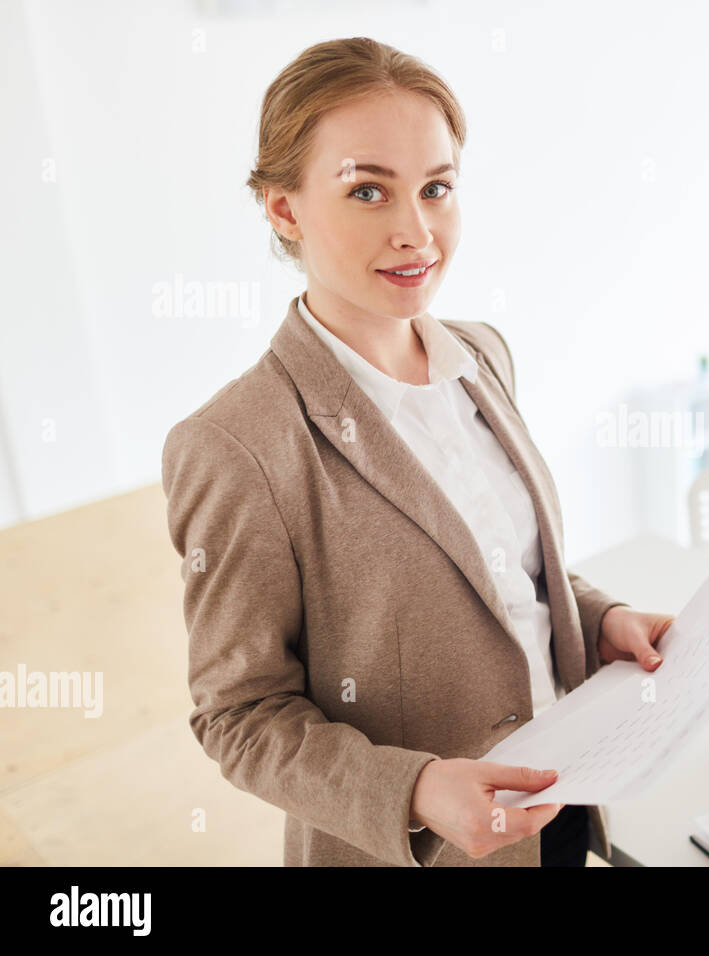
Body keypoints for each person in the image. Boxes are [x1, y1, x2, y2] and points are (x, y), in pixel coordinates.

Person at [160, 37, 674, 867]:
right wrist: (414, 790)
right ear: (283, 209)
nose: (416, 231)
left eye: (437, 188)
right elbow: (239, 717)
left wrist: (600, 619)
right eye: (368, 191)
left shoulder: (483, 357)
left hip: (564, 806)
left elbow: (503, 570)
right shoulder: (235, 446)